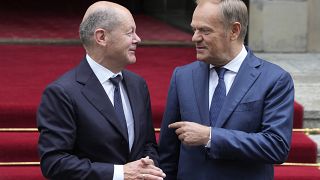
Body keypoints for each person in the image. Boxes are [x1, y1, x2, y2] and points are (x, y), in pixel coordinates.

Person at [159, 0, 294, 179]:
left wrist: (210, 136)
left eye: (205, 31)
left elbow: (276, 146)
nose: (195, 38)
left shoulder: (274, 79)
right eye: (194, 29)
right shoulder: (183, 76)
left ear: (234, 31)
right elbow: (168, 152)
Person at [37, 1, 166, 180]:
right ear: (101, 37)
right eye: (130, 33)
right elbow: (55, 162)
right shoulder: (62, 93)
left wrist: (148, 167)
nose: (138, 39)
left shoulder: (138, 85)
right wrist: (120, 173)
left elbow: (148, 143)